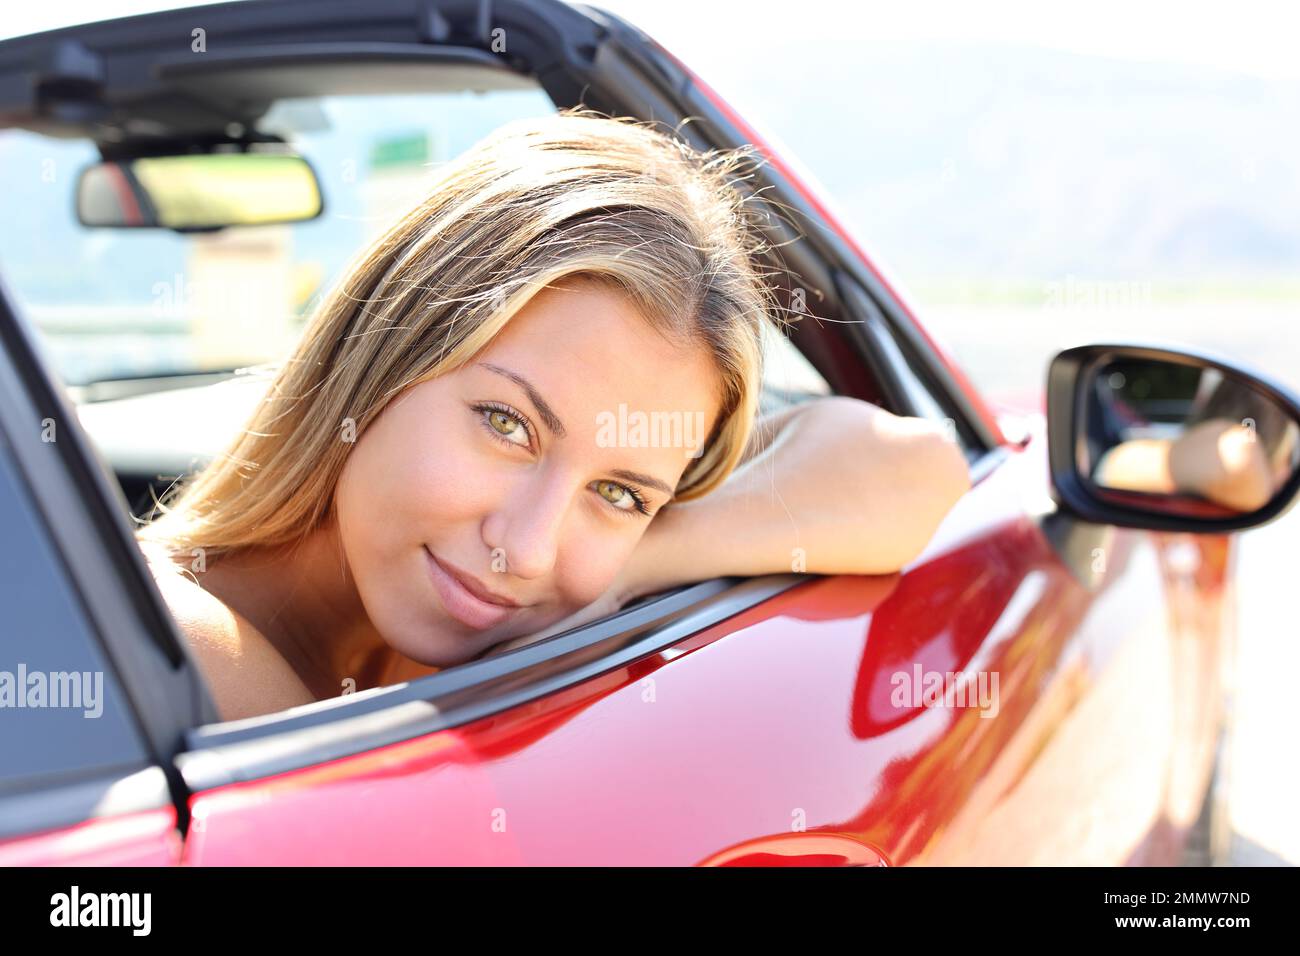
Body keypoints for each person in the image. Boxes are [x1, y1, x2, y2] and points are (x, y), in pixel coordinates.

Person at [136, 110, 971, 721]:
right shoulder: (173, 650)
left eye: (620, 493)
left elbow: (916, 467)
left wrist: (636, 564)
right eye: (507, 425)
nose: (528, 550)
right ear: (378, 356)